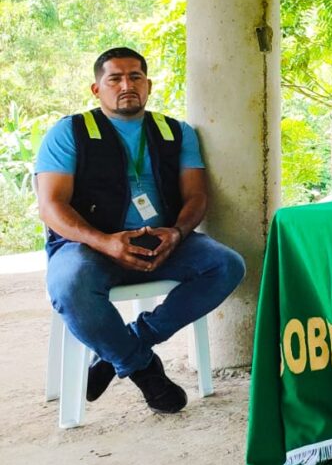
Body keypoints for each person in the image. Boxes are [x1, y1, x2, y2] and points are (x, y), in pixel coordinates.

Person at [34, 47, 245, 414]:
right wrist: (105, 242)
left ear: (148, 85)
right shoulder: (70, 132)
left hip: (161, 241)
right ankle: (143, 370)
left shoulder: (175, 132)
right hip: (90, 246)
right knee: (70, 285)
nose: (126, 85)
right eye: (114, 78)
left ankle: (127, 344)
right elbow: (51, 206)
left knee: (227, 265)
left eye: (135, 77)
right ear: (96, 89)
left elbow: (196, 196)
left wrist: (177, 233)